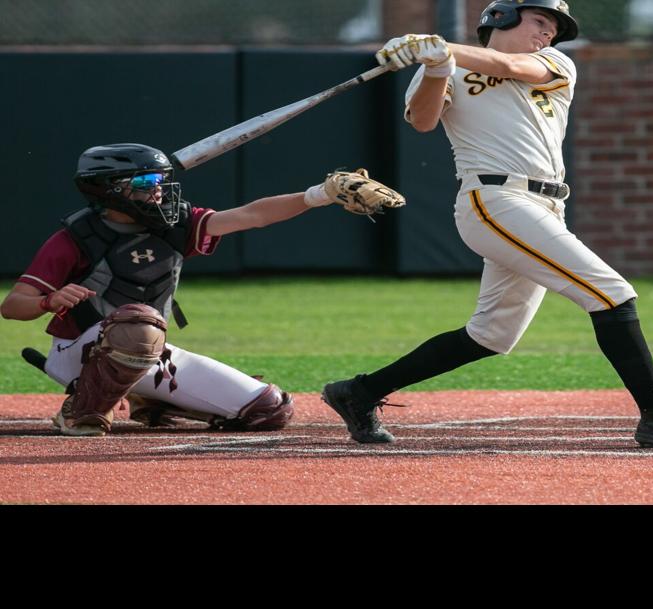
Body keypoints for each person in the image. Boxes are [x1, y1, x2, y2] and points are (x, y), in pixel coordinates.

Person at [320, 0, 653, 447]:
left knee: (490, 335)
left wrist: (444, 49)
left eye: (553, 28)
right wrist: (438, 66)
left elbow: (504, 64)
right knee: (612, 294)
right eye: (540, 22)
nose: (548, 33)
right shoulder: (444, 67)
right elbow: (423, 121)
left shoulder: (553, 62)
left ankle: (359, 392)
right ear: (500, 17)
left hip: (545, 204)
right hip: (494, 199)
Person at [2, 143, 399, 435]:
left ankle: (151, 402)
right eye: (144, 181)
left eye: (160, 179)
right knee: (140, 323)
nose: (157, 189)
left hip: (145, 348)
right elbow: (12, 306)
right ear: (107, 188)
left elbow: (252, 215)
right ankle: (81, 412)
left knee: (268, 411)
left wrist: (321, 194)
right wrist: (49, 300)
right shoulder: (75, 238)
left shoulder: (176, 224)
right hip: (79, 352)